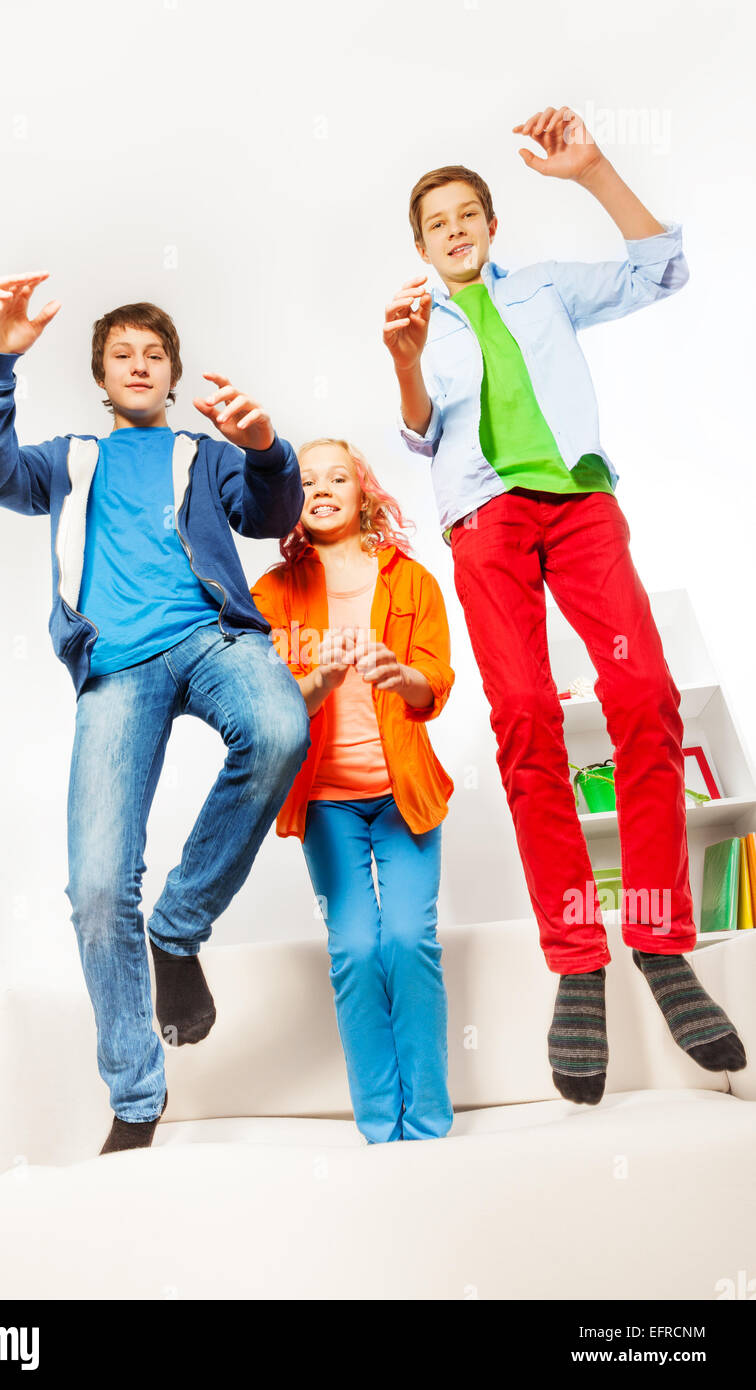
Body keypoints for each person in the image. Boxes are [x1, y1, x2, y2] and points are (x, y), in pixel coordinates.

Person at [383, 105, 747, 1104]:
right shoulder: (423, 319)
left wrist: (592, 170)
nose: (454, 230)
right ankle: (577, 957)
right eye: (436, 223)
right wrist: (406, 358)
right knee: (528, 719)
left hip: (579, 504)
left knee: (643, 697)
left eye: (469, 215)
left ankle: (661, 941)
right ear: (421, 245)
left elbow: (660, 268)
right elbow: (417, 431)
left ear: (493, 227)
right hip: (486, 523)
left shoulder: (543, 289)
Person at [0, 272, 311, 1154]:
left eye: (156, 355)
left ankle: (179, 929)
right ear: (101, 378)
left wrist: (266, 450)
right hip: (117, 667)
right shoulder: (68, 460)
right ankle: (136, 1097)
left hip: (212, 639)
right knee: (98, 889)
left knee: (279, 728)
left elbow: (272, 513)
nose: (140, 365)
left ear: (174, 374)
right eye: (123, 355)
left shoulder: (203, 452)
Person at [251, 437, 455, 1143]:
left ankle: (427, 1126)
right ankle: (380, 1127)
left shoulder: (413, 581)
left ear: (364, 491)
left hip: (406, 798)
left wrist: (404, 677)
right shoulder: (272, 594)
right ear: (288, 498)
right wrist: (319, 682)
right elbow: (266, 709)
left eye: (340, 476)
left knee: (407, 939)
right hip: (328, 802)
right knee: (356, 950)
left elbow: (438, 681)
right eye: (307, 480)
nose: (324, 488)